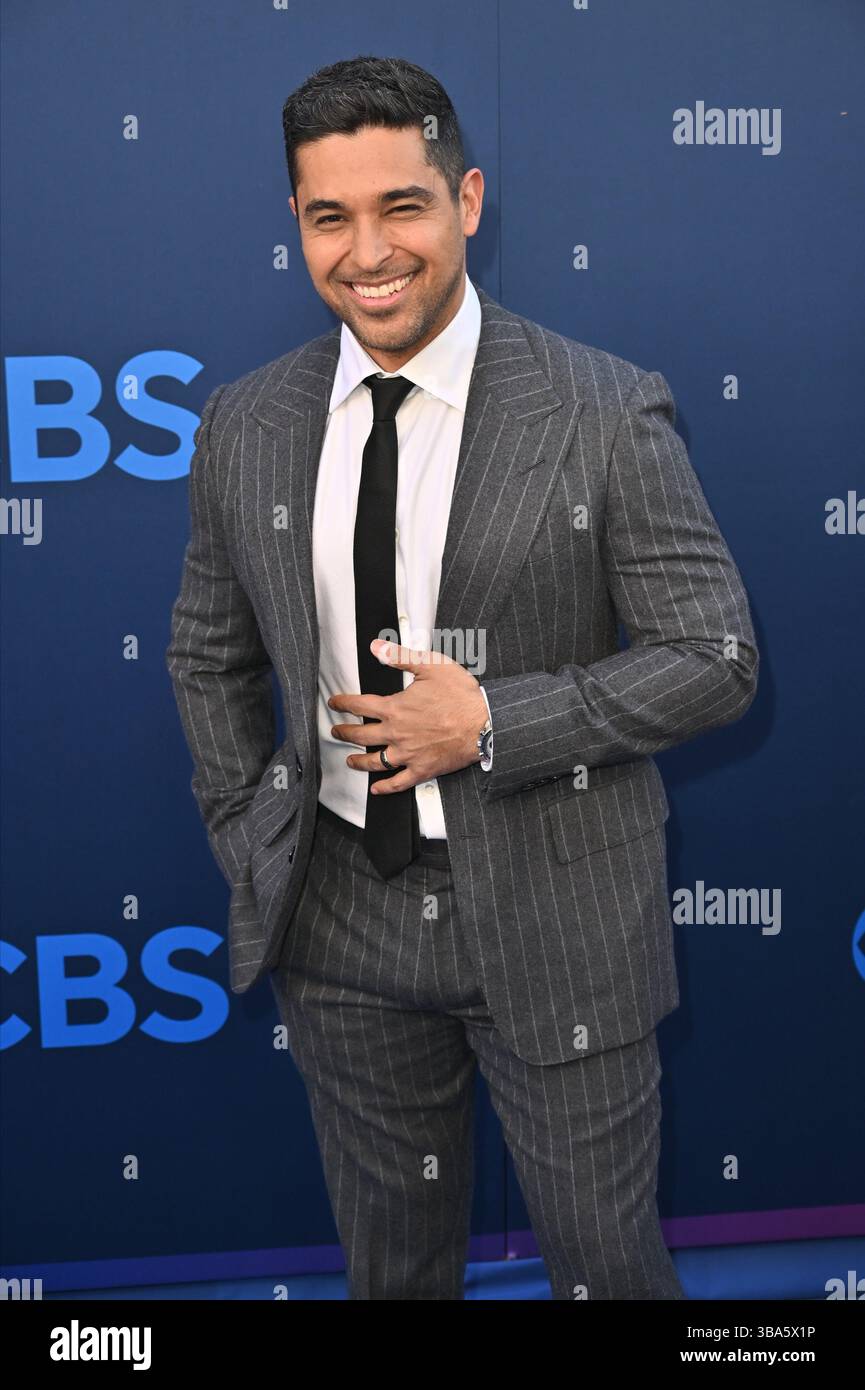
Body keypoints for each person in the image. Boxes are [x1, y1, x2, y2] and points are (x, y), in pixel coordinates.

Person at [166, 54, 759, 1300]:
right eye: (331, 216)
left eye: (402, 207)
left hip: (559, 916)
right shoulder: (245, 421)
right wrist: (249, 835)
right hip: (338, 918)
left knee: (606, 1271)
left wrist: (491, 720)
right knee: (394, 1276)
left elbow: (714, 657)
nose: (367, 251)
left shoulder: (601, 408)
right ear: (297, 224)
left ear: (468, 200)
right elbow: (208, 653)